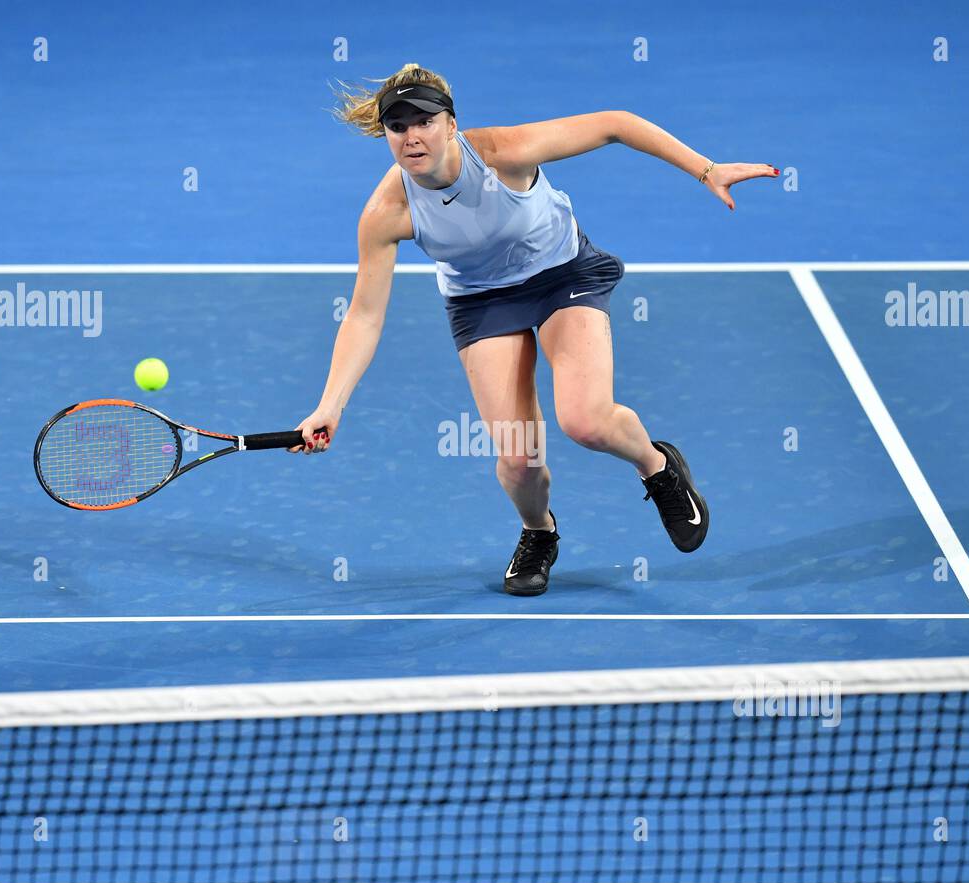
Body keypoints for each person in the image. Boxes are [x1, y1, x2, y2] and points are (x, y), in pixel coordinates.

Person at [293, 64, 777, 595]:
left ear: (451, 125)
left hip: (560, 274)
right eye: (398, 126)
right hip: (481, 302)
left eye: (424, 121)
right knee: (519, 459)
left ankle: (657, 467)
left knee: (586, 421)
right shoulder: (387, 213)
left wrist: (706, 170)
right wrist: (330, 404)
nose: (411, 136)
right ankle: (538, 532)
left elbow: (615, 123)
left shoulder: (502, 154)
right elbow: (364, 315)